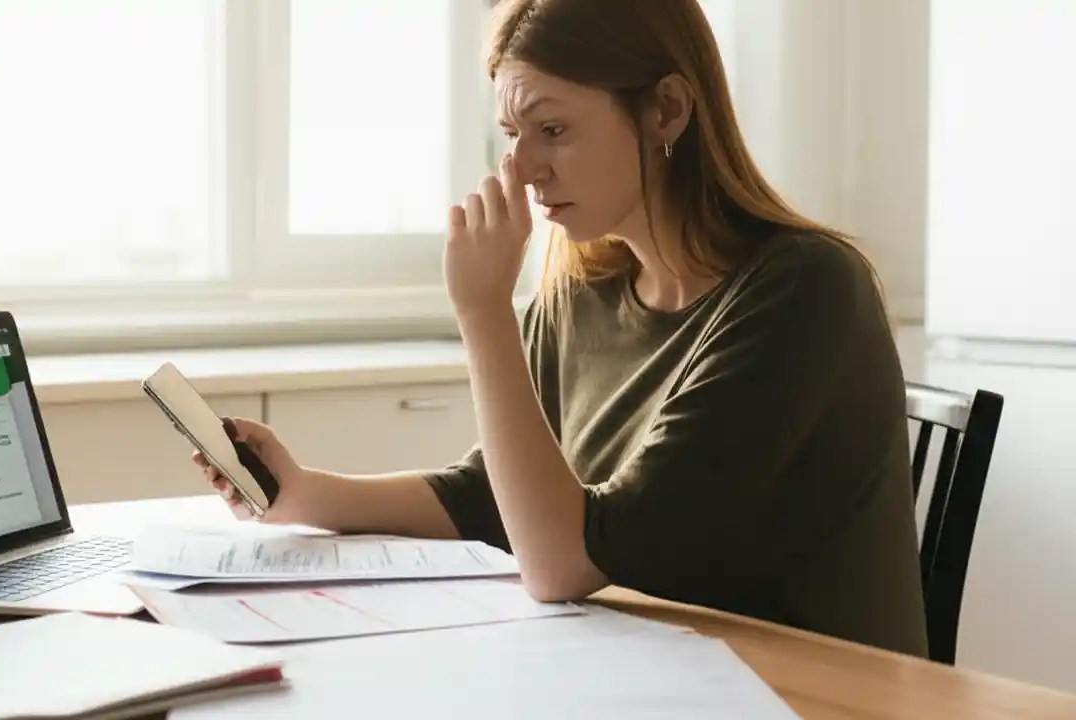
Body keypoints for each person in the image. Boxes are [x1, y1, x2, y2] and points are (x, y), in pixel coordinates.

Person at [193, 0, 928, 657]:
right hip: (650, 670)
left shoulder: (804, 290)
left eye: (553, 129)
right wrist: (306, 493)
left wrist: (483, 314)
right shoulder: (586, 292)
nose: (523, 169)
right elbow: (494, 495)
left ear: (667, 111)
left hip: (803, 695)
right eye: (512, 133)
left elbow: (562, 561)